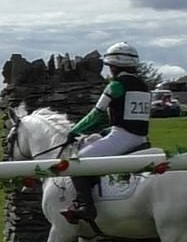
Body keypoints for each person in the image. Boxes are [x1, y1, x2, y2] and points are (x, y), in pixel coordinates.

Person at [60, 42, 153, 224]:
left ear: (114, 66)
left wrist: (75, 130)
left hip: (122, 138)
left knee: (76, 162)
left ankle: (86, 207)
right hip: (141, 139)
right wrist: (106, 131)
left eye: (110, 66)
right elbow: (133, 118)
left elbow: (96, 114)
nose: (109, 70)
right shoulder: (143, 85)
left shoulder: (116, 85)